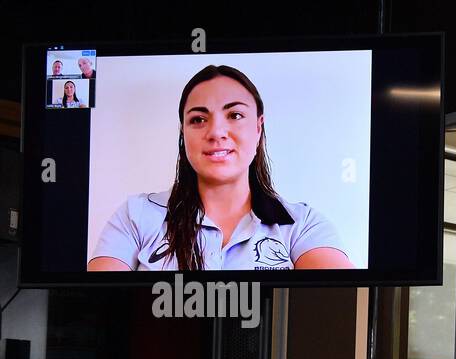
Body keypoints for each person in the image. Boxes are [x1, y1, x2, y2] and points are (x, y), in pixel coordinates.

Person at [89, 65, 352, 271]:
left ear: (258, 127)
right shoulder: (135, 216)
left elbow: (339, 305)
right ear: (183, 133)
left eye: (235, 115)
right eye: (198, 119)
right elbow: (101, 309)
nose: (216, 132)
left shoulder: (302, 225)